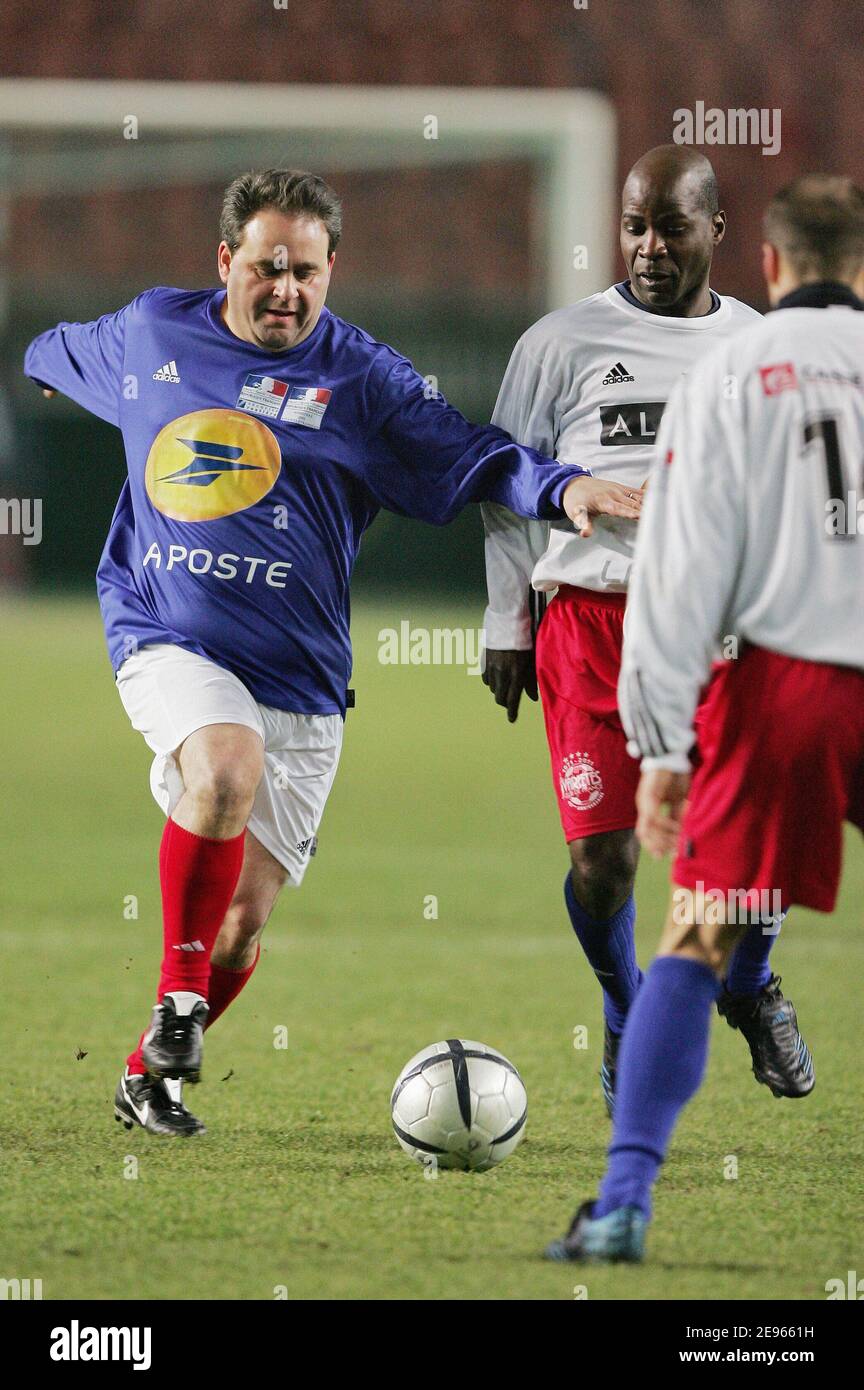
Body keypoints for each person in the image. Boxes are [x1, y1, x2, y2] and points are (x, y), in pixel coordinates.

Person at [25, 168, 640, 1138]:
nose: (287, 290)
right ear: (224, 261)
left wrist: (566, 490)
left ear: (331, 270)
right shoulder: (151, 336)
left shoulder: (363, 381)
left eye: (307, 272)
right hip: (163, 628)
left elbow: (473, 454)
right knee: (223, 767)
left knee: (244, 922)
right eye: (267, 268)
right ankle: (179, 1007)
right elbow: (50, 350)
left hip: (303, 676)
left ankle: (150, 1071)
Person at [547, 174, 864, 1263]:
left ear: (768, 265)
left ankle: (627, 1200)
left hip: (785, 686)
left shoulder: (732, 370)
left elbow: (678, 576)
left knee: (695, 931)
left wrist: (666, 745)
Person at [481, 145, 814, 1114]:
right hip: (588, 622)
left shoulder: (761, 349)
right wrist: (505, 618)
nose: (649, 246)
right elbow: (505, 488)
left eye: (671, 226)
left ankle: (749, 987)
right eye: (634, 225)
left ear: (717, 231)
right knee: (604, 856)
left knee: (756, 839)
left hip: (725, 626)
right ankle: (626, 1005)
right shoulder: (558, 342)